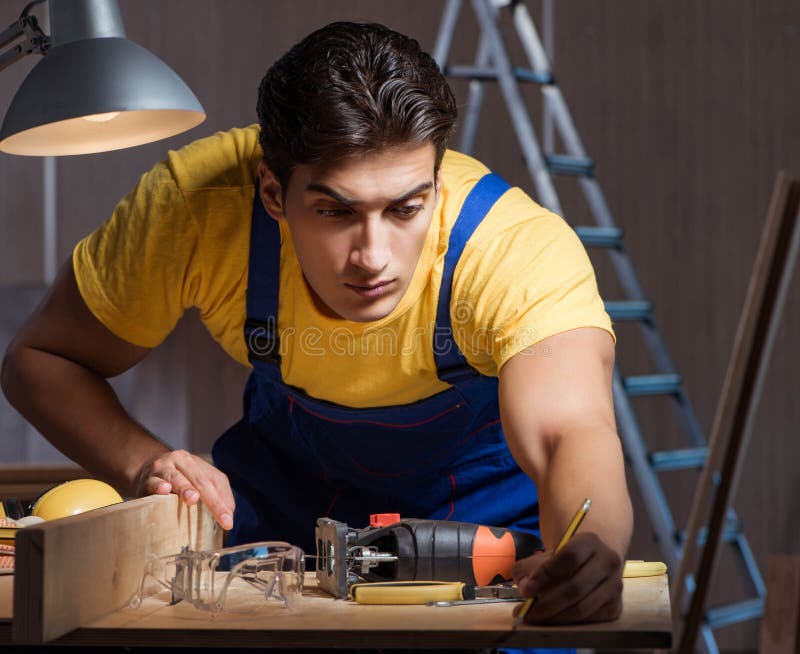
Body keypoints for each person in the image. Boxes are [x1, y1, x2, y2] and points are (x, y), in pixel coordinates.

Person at [1, 21, 631, 626]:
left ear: (437, 187)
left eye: (406, 208)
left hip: (485, 543)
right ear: (272, 193)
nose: (372, 256)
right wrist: (143, 461)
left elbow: (569, 433)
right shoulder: (194, 210)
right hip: (282, 536)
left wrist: (591, 548)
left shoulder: (513, 249)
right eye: (335, 210)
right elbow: (40, 361)